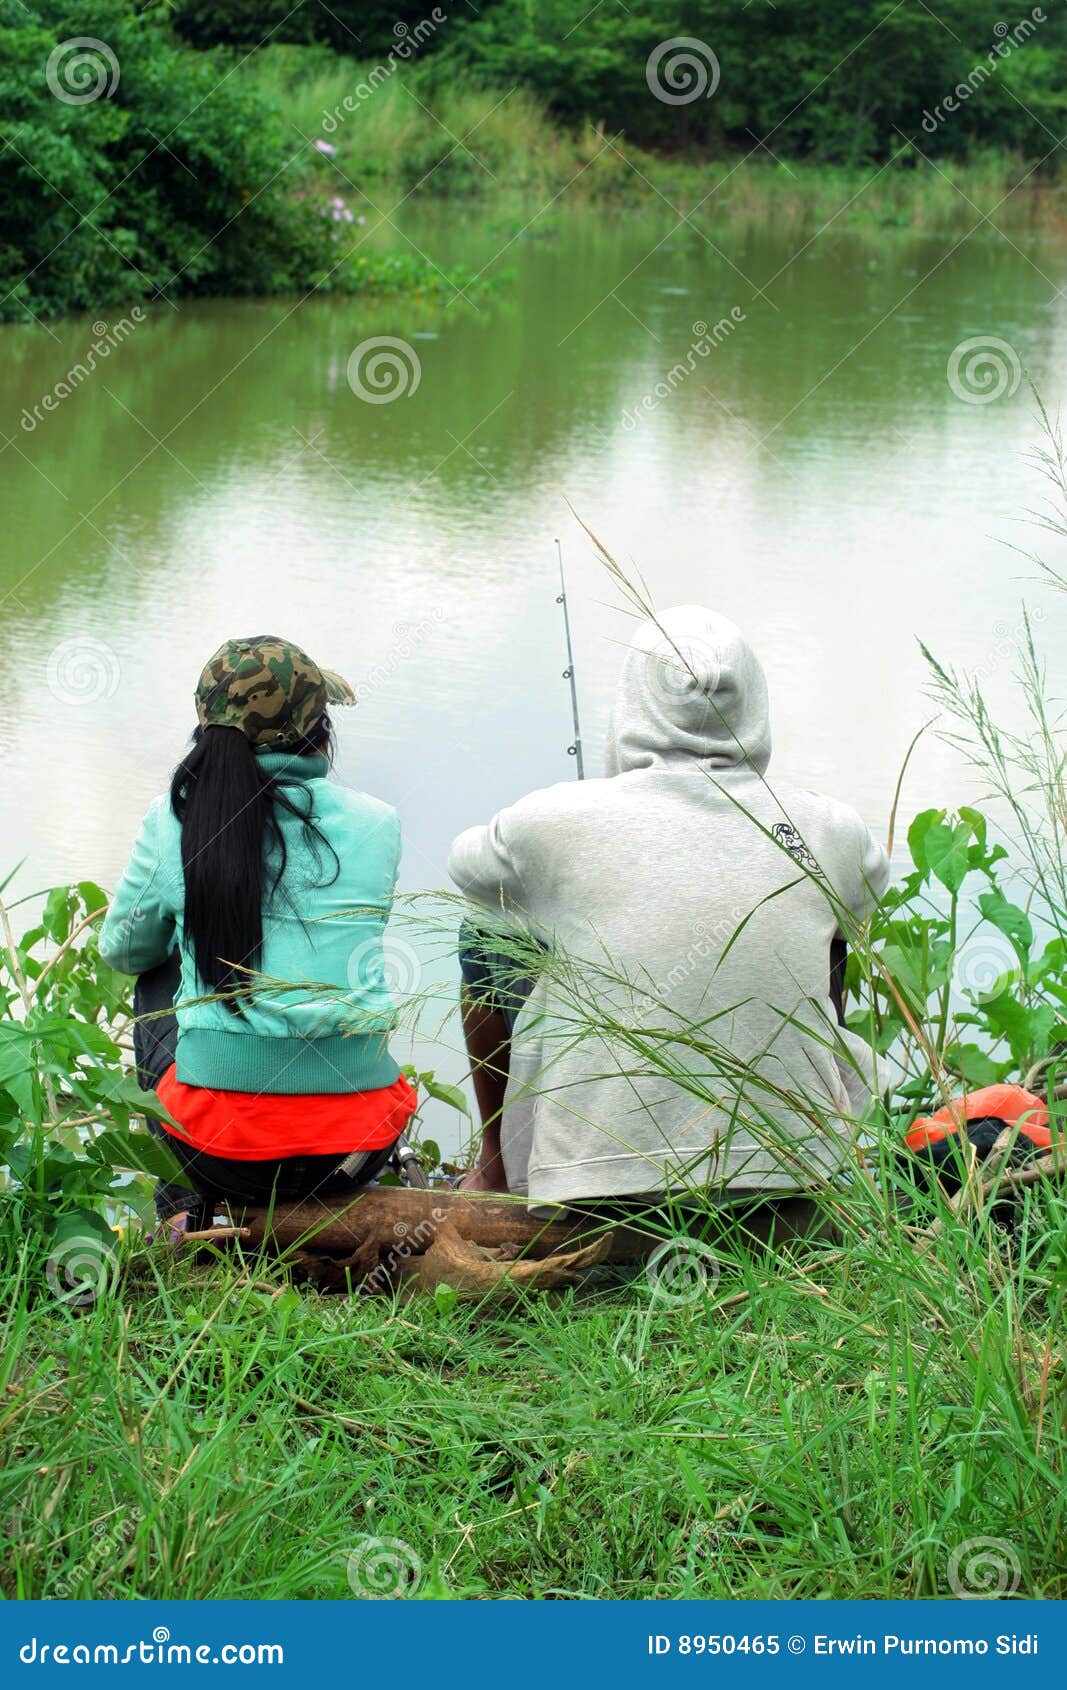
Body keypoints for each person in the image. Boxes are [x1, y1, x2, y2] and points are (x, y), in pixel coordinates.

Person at [449, 606, 890, 1220]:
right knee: (827, 929)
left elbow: (465, 867)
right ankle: (818, 1132)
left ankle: (496, 1169)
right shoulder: (831, 829)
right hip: (791, 1176)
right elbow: (869, 885)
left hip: (596, 1185)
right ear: (753, 703)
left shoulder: (549, 821)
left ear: (633, 704)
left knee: (486, 930)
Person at [99, 636, 417, 1234]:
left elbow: (122, 949)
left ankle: (184, 1211)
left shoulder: (175, 817)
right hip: (353, 1155)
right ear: (320, 732)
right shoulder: (379, 823)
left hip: (215, 1155)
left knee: (160, 966)